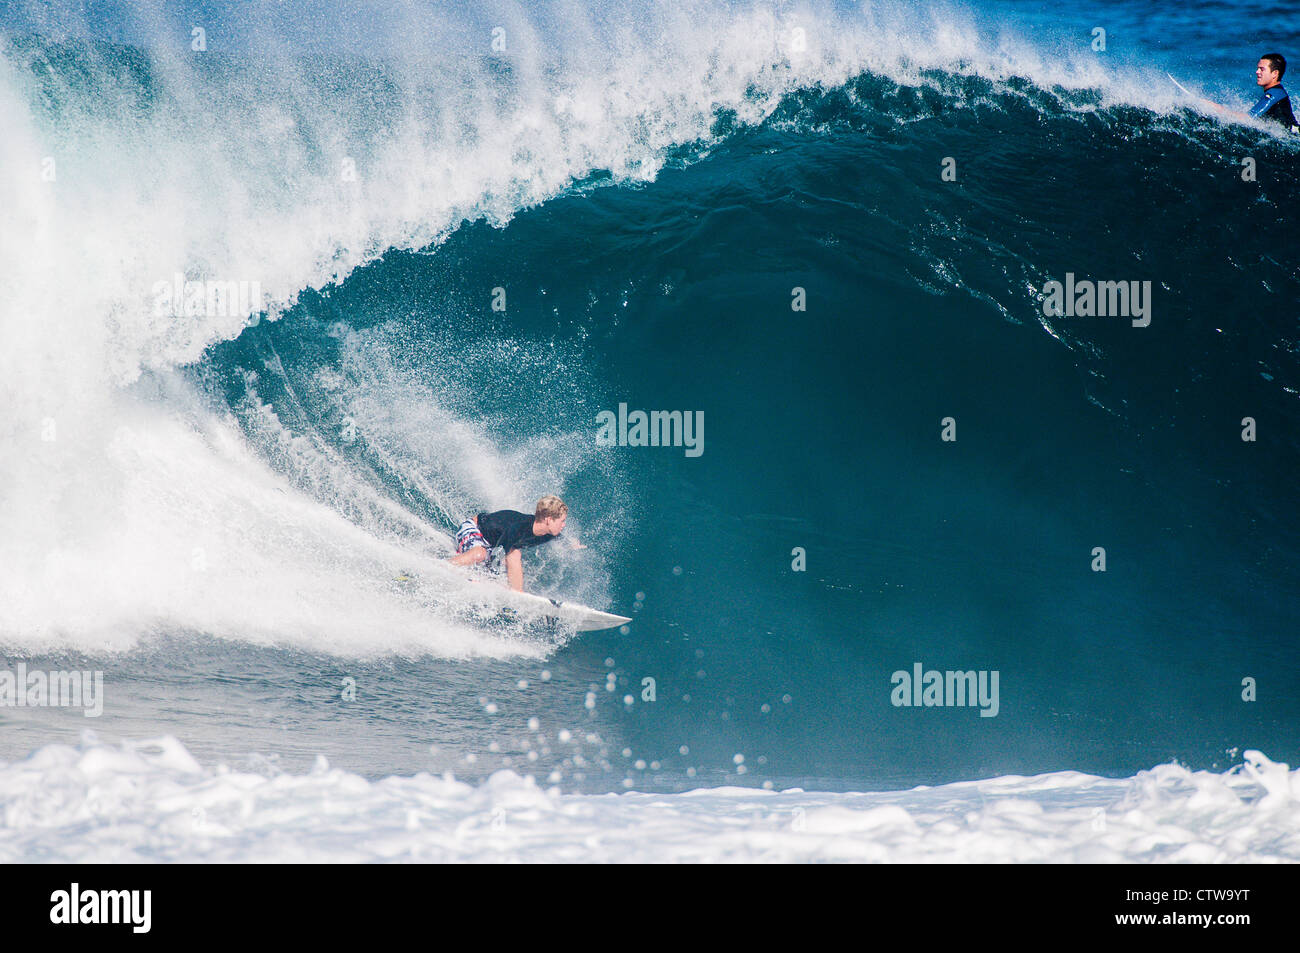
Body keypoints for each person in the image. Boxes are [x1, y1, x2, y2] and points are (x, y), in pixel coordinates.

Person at [450, 495, 585, 592]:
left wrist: (570, 544)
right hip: (475, 529)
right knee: (482, 554)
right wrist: (490, 581)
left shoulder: (548, 533)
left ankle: (517, 596)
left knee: (514, 554)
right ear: (549, 520)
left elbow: (560, 537)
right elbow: (496, 556)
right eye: (562, 521)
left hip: (495, 541)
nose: (564, 525)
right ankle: (445, 566)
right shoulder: (517, 529)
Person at [1217, 53, 1297, 131]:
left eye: (1262, 69)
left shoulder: (1275, 94)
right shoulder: (1277, 92)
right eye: (1258, 68)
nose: (1257, 72)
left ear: (1275, 73)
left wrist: (1214, 108)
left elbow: (1248, 118)